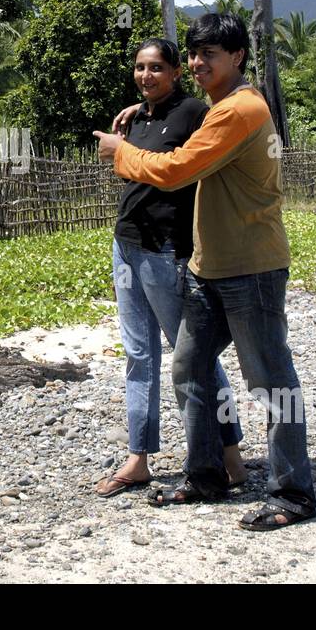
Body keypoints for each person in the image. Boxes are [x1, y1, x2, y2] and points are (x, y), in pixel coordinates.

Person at [94, 14, 316, 530]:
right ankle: (207, 474)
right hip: (208, 266)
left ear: (237, 56)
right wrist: (146, 110)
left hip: (250, 267)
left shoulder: (238, 110)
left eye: (208, 54)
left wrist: (120, 151)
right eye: (193, 54)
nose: (197, 63)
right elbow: (184, 128)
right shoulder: (222, 106)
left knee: (270, 380)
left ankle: (293, 494)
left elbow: (175, 170)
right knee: (190, 366)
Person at [95, 38, 246, 499]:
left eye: (157, 68)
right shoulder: (138, 117)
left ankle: (229, 452)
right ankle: (138, 457)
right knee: (138, 356)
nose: (147, 76)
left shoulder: (196, 114)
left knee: (194, 356)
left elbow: (179, 168)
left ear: (178, 72)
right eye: (140, 68)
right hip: (127, 246)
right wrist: (133, 118)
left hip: (167, 251)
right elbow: (135, 167)